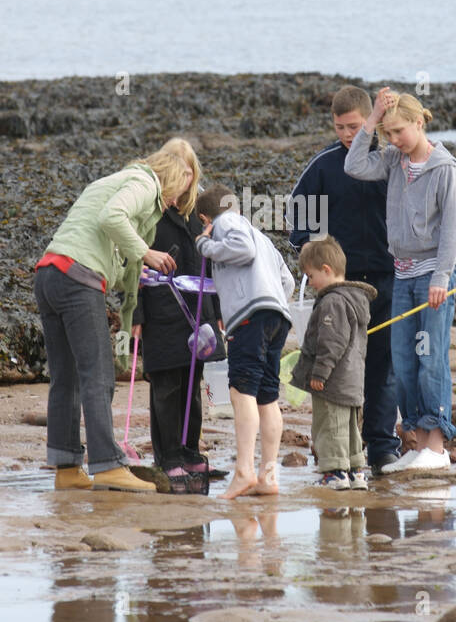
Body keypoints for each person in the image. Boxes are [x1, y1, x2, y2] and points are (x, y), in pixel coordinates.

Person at [34, 140, 199, 492]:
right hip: (79, 278)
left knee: (66, 378)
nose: (171, 203)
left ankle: (66, 467)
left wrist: (135, 272)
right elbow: (113, 218)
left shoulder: (114, 180)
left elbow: (109, 239)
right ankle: (108, 465)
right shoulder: (144, 184)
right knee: (98, 375)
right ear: (169, 180)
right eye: (175, 195)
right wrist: (147, 253)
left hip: (48, 273)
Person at [344, 89, 456, 473]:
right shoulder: (394, 161)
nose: (393, 140)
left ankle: (437, 446)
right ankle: (415, 442)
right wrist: (374, 115)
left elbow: (453, 229)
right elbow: (354, 165)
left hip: (434, 276)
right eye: (388, 133)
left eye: (398, 131)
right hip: (402, 274)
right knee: (402, 359)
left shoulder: (444, 168)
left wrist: (442, 277)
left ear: (419, 122)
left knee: (431, 358)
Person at [289, 85, 400, 474]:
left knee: (383, 366)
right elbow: (297, 217)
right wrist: (314, 252)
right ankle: (339, 449)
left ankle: (383, 447)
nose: (348, 135)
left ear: (372, 119)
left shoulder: (392, 159)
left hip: (389, 278)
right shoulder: (324, 166)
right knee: (338, 367)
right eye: (340, 127)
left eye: (354, 126)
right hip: (342, 286)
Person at [195, 184, 295, 499]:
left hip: (251, 317)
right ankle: (268, 476)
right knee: (267, 396)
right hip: (278, 315)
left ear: (203, 217)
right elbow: (287, 281)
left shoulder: (225, 224)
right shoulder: (261, 234)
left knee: (242, 390)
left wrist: (205, 244)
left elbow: (241, 249)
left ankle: (243, 472)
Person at [132, 149, 225, 478]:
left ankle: (190, 449)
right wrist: (135, 315)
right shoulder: (147, 213)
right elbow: (133, 267)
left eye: (190, 175)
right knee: (166, 385)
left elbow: (207, 267)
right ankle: (168, 455)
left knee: (192, 384)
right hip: (160, 313)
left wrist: (216, 314)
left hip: (197, 313)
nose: (186, 182)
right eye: (180, 176)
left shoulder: (196, 214)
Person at [291, 237, 374, 490]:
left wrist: (320, 372)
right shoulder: (354, 298)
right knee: (350, 427)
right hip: (353, 378)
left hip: (333, 380)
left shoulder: (332, 301)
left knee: (330, 426)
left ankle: (335, 473)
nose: (311, 282)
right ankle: (355, 471)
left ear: (326, 270)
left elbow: (332, 341)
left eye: (311, 275)